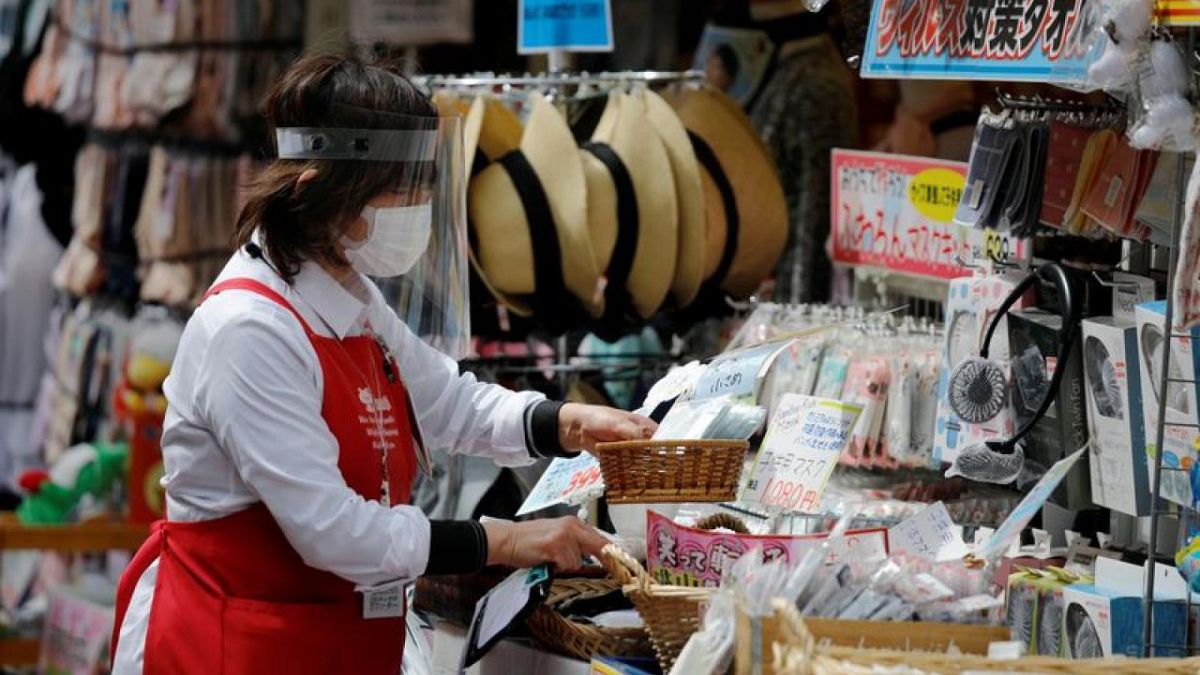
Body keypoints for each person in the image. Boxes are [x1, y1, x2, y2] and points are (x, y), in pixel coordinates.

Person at [109, 54, 656, 675]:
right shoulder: (248, 331)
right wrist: (504, 540)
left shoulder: (351, 296)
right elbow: (336, 532)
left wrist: (569, 424)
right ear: (318, 189)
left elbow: (449, 403)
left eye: (424, 184)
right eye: (402, 187)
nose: (418, 205)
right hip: (237, 642)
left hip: (330, 638)